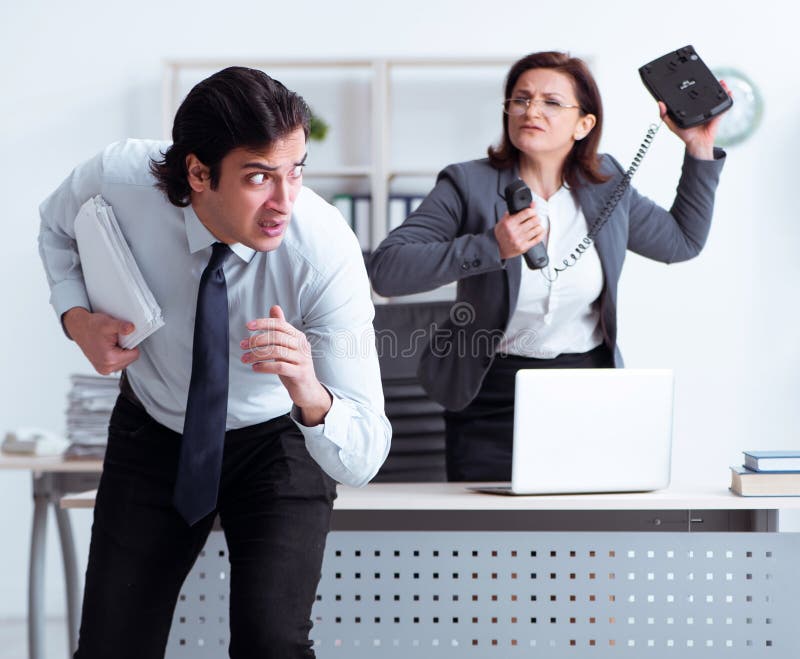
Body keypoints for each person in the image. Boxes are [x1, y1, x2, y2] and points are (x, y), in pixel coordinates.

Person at [38, 66, 390, 659]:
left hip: (278, 437)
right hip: (156, 424)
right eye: (259, 177)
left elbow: (365, 454)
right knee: (111, 645)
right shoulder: (120, 177)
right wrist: (76, 318)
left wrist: (310, 390)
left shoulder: (324, 249)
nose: (284, 202)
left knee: (271, 644)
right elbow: (54, 226)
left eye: (296, 172)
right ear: (199, 173)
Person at [368, 51, 726, 482]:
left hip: (586, 392)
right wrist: (491, 245)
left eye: (551, 102)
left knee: (584, 538)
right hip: (491, 393)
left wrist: (699, 150)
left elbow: (680, 242)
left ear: (584, 124)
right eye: (520, 99)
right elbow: (387, 269)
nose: (530, 110)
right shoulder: (468, 184)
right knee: (482, 541)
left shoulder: (607, 182)